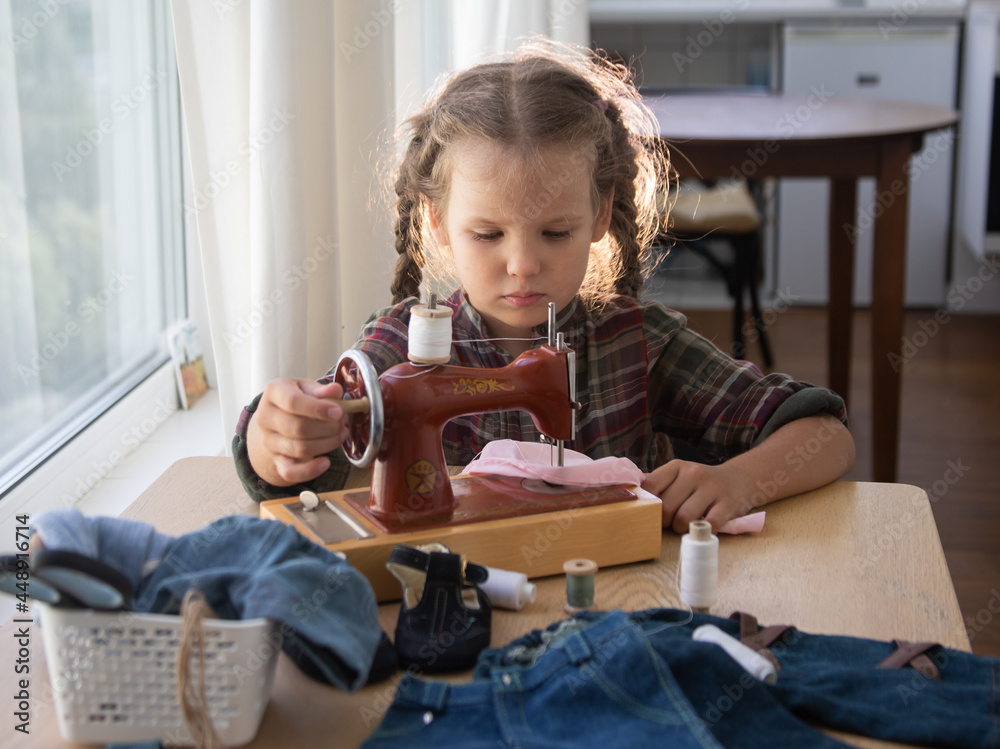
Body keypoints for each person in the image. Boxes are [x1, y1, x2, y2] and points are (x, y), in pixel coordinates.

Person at [234, 41, 855, 533]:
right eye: (488, 234)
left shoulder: (636, 342)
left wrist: (739, 482)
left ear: (601, 213)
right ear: (436, 222)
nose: (524, 265)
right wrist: (276, 440)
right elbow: (283, 470)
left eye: (555, 232)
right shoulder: (399, 348)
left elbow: (824, 435)